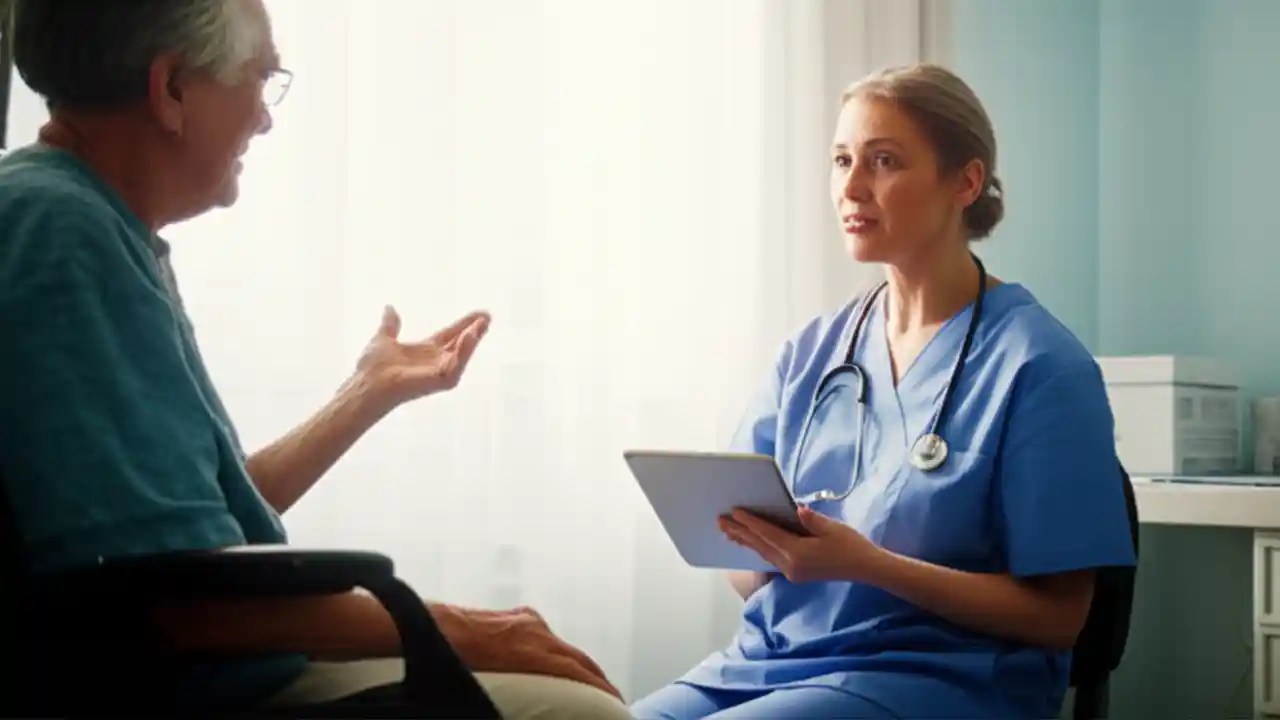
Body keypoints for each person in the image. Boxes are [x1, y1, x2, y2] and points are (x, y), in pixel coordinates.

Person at [0, 1, 630, 717]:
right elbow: (175, 601)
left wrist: (364, 395)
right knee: (583, 712)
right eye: (260, 78)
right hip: (190, 691)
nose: (265, 120)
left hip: (218, 669)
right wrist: (456, 629)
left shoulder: (85, 219)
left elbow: (191, 532)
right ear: (171, 88)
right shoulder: (61, 234)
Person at [630, 63, 1137, 719]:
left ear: (966, 181)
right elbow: (745, 571)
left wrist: (870, 566)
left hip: (937, 680)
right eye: (842, 160)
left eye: (885, 160)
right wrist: (759, 544)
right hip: (765, 665)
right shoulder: (812, 352)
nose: (852, 186)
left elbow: (1062, 619)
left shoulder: (1040, 366)